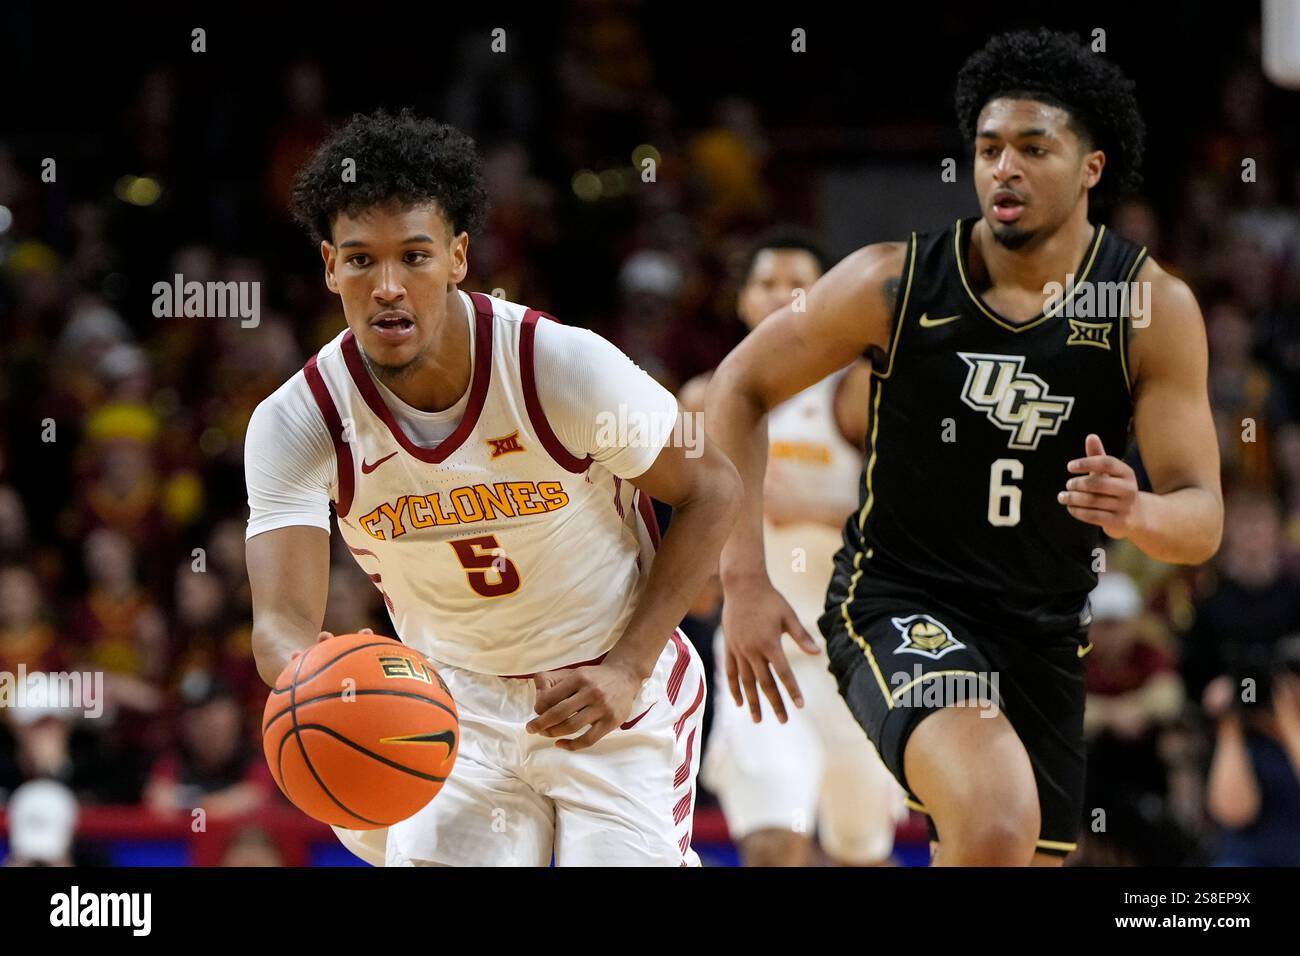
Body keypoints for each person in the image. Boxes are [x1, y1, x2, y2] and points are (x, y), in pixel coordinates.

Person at [706, 29, 1223, 866]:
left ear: (1092, 166)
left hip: (1045, 632)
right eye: (987, 149)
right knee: (995, 816)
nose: (1003, 169)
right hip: (900, 603)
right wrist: (743, 578)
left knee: (1004, 850)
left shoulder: (1150, 308)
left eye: (1032, 147)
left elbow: (1201, 521)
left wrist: (1140, 511)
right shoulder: (892, 281)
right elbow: (736, 386)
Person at [244, 109, 739, 866]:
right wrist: (327, 688)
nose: (386, 288)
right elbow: (281, 625)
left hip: (608, 682)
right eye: (359, 260)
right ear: (327, 267)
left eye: (413, 255)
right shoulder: (299, 420)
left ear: (458, 257)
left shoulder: (559, 368)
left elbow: (713, 488)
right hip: (446, 703)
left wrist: (629, 666)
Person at [684, 229, 903, 866]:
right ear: (744, 299)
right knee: (772, 843)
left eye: (798, 283)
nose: (782, 294)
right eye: (767, 282)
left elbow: (907, 524)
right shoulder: (705, 398)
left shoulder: (856, 390)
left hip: (854, 650)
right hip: (759, 652)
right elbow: (692, 527)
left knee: (860, 851)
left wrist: (801, 509)